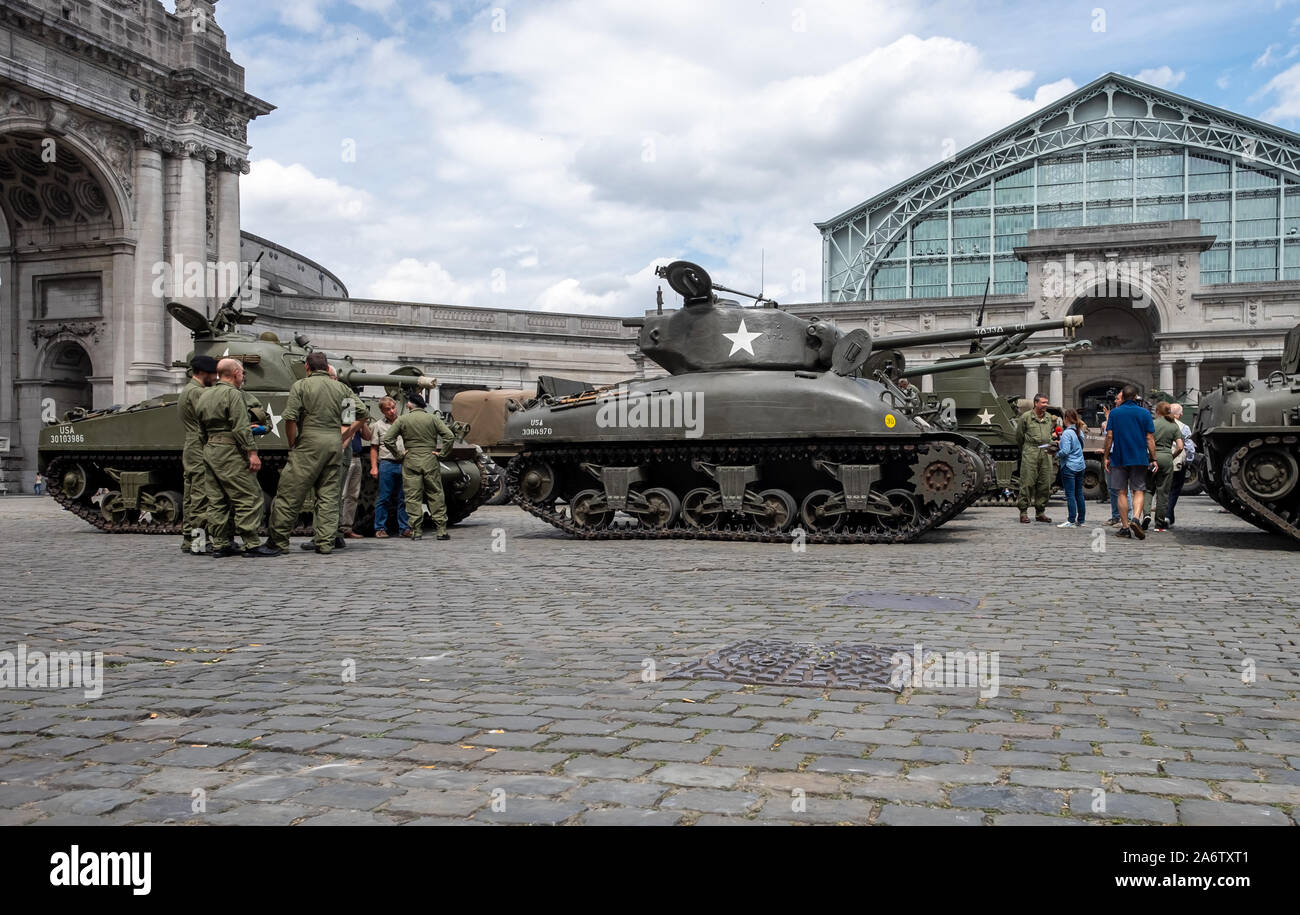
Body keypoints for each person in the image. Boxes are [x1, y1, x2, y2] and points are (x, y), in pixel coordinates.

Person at [253, 352, 352, 556]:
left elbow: (290, 418)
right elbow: (356, 416)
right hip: (333, 445)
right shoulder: (342, 388)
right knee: (328, 497)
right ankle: (325, 543)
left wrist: (292, 443)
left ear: (307, 367)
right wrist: (340, 437)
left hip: (308, 444)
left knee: (290, 494)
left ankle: (278, 542)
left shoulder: (301, 385)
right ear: (326, 367)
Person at [196, 358, 264, 556]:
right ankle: (251, 544)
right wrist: (252, 452)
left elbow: (200, 429)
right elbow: (241, 427)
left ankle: (220, 544)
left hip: (210, 450)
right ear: (235, 373)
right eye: (242, 373)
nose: (243, 377)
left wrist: (208, 447)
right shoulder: (233, 395)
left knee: (217, 499)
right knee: (248, 496)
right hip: (230, 451)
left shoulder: (205, 395)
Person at [382, 392, 454, 541]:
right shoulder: (433, 418)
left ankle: (416, 531)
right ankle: (441, 530)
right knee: (435, 494)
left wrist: (399, 455)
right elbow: (449, 436)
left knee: (412, 497)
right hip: (430, 459)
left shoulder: (402, 419)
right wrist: (442, 455)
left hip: (411, 460)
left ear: (409, 405)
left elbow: (388, 439)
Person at [1101, 384, 1157, 541]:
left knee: (1121, 492)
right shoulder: (1144, 413)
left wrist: (1106, 456)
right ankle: (1136, 519)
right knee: (1138, 490)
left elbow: (1109, 436)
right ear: (1136, 397)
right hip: (1139, 457)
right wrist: (1153, 458)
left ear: (1123, 397)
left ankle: (1125, 528)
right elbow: (1149, 438)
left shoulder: (1115, 413)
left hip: (1119, 457)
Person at [178, 354, 219, 554]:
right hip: (199, 445)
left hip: (192, 445)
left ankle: (189, 538)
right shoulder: (197, 393)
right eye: (213, 373)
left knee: (190, 495)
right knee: (200, 496)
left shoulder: (190, 390)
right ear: (203, 372)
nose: (215, 377)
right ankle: (199, 543)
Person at [370, 396, 412, 538]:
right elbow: (374, 447)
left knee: (404, 497)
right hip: (387, 463)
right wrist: (374, 467)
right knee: (384, 498)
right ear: (382, 411)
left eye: (393, 408)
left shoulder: (404, 423)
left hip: (403, 463)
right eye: (387, 409)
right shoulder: (378, 425)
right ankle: (380, 528)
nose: (392, 411)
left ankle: (404, 527)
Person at [1015, 393, 1059, 523]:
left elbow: (1050, 434)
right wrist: (1027, 449)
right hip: (1031, 451)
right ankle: (1023, 512)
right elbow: (1019, 437)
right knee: (1027, 482)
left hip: (1046, 452)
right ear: (1036, 403)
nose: (1046, 405)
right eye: (1043, 403)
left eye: (1046, 402)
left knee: (1045, 483)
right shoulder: (1026, 417)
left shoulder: (1049, 418)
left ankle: (1040, 512)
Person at [1143, 401, 1184, 532]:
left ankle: (1147, 514)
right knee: (1163, 492)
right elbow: (1180, 446)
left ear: (1157, 412)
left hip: (1152, 458)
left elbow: (1146, 441)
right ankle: (1159, 524)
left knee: (1149, 489)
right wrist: (1171, 455)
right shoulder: (1174, 426)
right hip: (1167, 458)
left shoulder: (1152, 424)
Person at [338, 396, 372, 540]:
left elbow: (368, 436)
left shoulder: (357, 419)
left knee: (352, 495)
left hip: (357, 457)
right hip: (346, 457)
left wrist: (362, 421)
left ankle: (347, 527)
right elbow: (345, 435)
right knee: (342, 494)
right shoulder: (346, 413)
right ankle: (336, 528)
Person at [1166, 402, 1196, 528]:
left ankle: (1168, 516)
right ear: (1179, 414)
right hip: (1177, 462)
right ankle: (1167, 516)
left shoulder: (1158, 424)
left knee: (1162, 490)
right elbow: (1189, 447)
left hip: (1161, 460)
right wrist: (1189, 461)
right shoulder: (1184, 427)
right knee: (1174, 490)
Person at [1056, 408, 1087, 528]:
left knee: (1070, 495)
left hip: (1069, 466)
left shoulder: (1067, 433)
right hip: (1080, 465)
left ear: (1066, 419)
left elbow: (1065, 451)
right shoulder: (1079, 431)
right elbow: (1079, 446)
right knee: (1079, 493)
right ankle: (1081, 520)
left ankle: (1071, 520)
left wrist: (1055, 453)